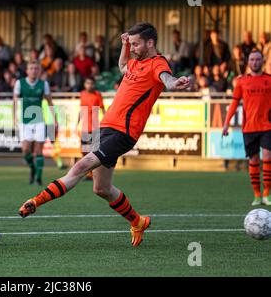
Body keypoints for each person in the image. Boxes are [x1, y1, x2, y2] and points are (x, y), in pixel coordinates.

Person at [18, 22, 190, 246]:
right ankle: (138, 222)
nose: (134, 48)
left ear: (150, 43)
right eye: (132, 44)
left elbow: (166, 78)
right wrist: (125, 46)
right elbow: (121, 65)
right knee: (101, 188)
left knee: (80, 167)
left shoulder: (157, 64)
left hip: (124, 132)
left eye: (136, 44)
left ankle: (35, 202)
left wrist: (175, 82)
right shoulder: (135, 63)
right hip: (106, 127)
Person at [223, 50, 271, 206]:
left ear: (262, 62)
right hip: (249, 127)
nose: (255, 62)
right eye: (252, 59)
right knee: (254, 160)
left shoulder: (269, 80)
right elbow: (235, 103)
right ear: (248, 62)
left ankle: (267, 193)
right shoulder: (242, 81)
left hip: (267, 126)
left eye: (258, 59)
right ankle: (257, 195)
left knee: (268, 157)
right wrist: (226, 123)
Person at [13, 61, 56, 186]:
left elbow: (50, 102)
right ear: (27, 71)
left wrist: (55, 119)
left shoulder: (44, 84)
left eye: (36, 68)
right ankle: (33, 168)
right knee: (25, 149)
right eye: (31, 68)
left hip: (39, 121)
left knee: (38, 150)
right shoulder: (19, 83)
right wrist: (14, 117)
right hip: (25, 121)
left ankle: (38, 177)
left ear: (39, 71)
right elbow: (15, 100)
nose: (33, 70)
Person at [77, 77, 105, 180]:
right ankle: (88, 173)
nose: (89, 85)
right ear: (85, 84)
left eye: (91, 83)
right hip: (85, 127)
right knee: (84, 151)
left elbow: (103, 109)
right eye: (88, 83)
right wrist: (77, 122)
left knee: (93, 151)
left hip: (95, 127)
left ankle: (93, 174)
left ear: (94, 85)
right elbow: (81, 109)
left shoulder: (98, 95)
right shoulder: (82, 94)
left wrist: (105, 123)